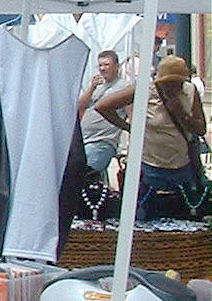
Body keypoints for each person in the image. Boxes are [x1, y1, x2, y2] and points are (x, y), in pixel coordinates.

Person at [96, 55, 208, 220]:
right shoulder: (145, 90)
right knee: (147, 215)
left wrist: (182, 113)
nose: (173, 86)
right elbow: (103, 106)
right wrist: (128, 128)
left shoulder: (190, 91)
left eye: (178, 82)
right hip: (151, 165)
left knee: (184, 214)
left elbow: (201, 129)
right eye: (169, 82)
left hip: (182, 165)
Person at [76, 49, 129, 184]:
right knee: (94, 182)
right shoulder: (97, 86)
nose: (102, 68)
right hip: (86, 140)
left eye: (106, 65)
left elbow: (131, 113)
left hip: (103, 141)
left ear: (116, 66)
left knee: (86, 176)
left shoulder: (124, 88)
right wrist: (92, 87)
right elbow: (81, 106)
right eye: (100, 65)